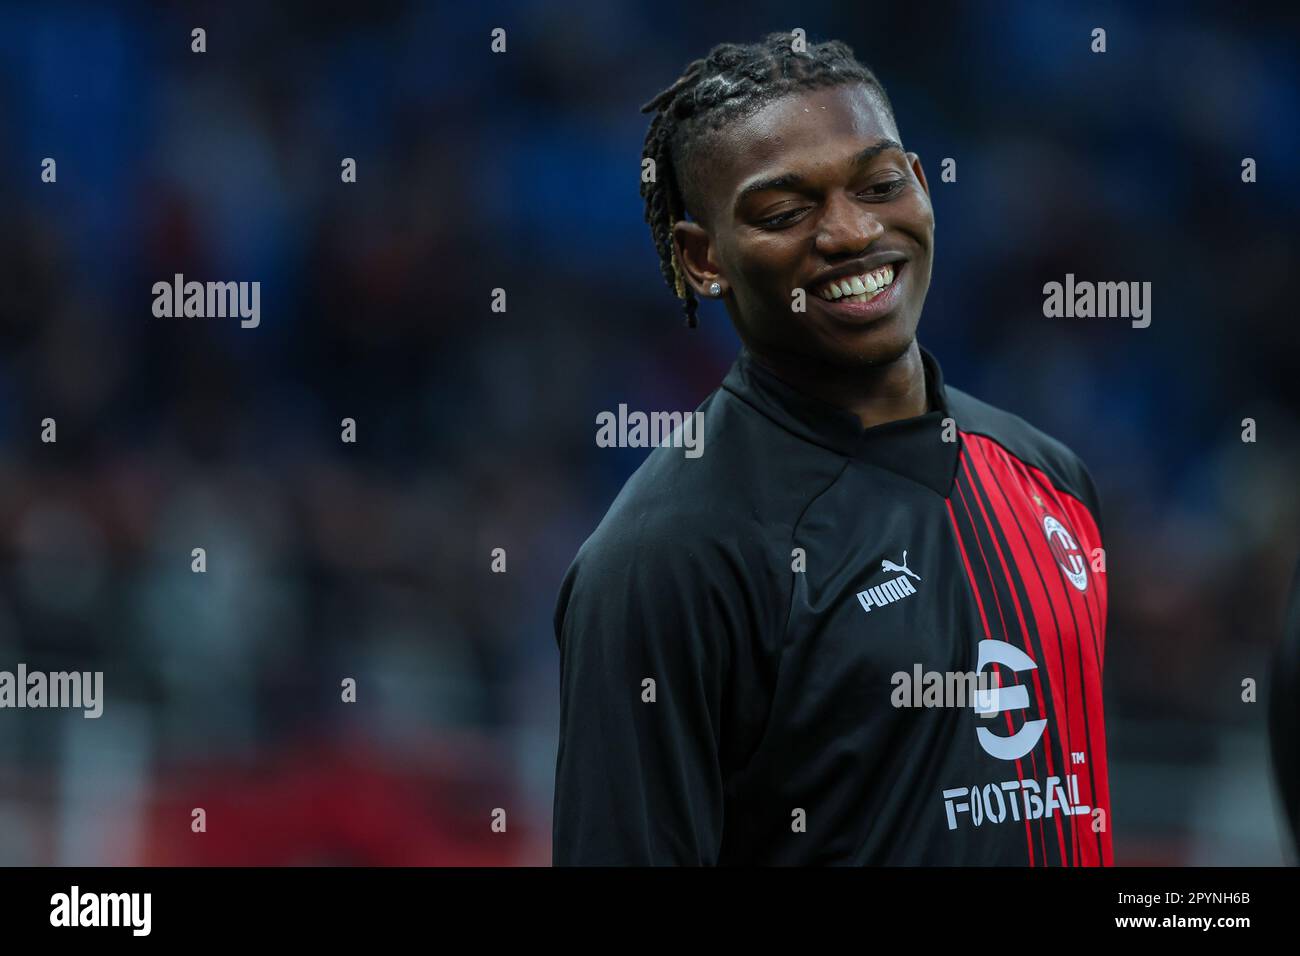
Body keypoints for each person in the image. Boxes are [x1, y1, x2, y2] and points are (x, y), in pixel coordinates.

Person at [553, 33, 1111, 865]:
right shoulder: (664, 560)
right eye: (785, 212)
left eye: (880, 185)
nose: (851, 232)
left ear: (922, 186)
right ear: (703, 259)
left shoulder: (1050, 479)